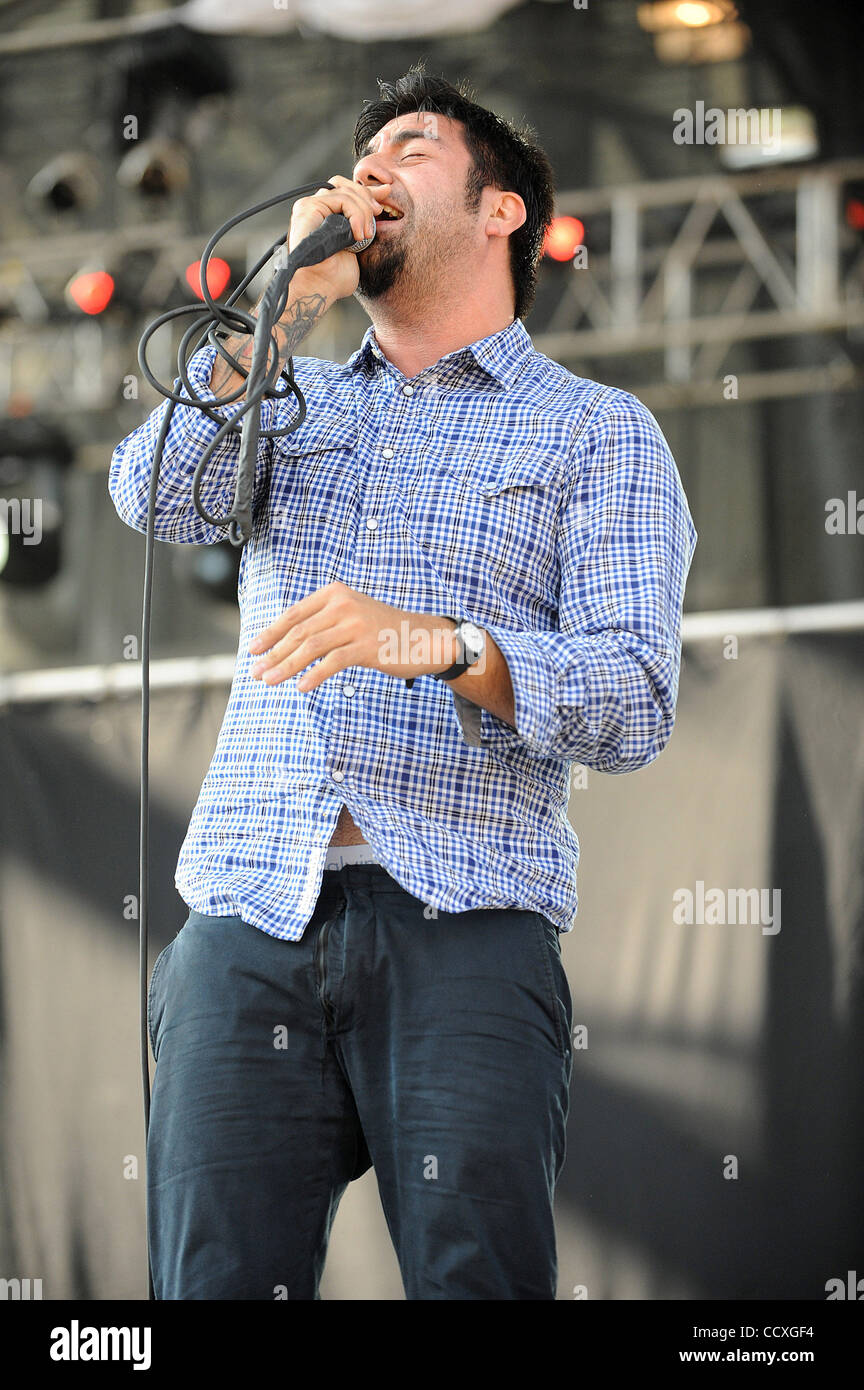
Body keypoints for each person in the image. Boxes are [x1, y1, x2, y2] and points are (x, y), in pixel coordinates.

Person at [109, 64, 697, 1301]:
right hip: (246, 915)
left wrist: (443, 641)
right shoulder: (294, 392)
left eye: (413, 147)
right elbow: (153, 496)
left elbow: (634, 695)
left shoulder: (593, 431)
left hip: (466, 924)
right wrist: (277, 315)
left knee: (477, 1282)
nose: (371, 167)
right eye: (361, 151)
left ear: (502, 213)